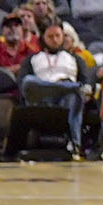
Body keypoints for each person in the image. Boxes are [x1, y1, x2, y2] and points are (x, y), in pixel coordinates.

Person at [21, 23, 88, 157]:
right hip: (41, 97)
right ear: (43, 38)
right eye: (50, 36)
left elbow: (85, 85)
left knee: (76, 94)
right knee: (29, 80)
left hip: (66, 99)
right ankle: (65, 87)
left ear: (63, 37)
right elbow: (24, 85)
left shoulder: (75, 59)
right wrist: (64, 86)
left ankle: (74, 144)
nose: (55, 39)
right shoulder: (32, 59)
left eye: (58, 36)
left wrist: (73, 89)